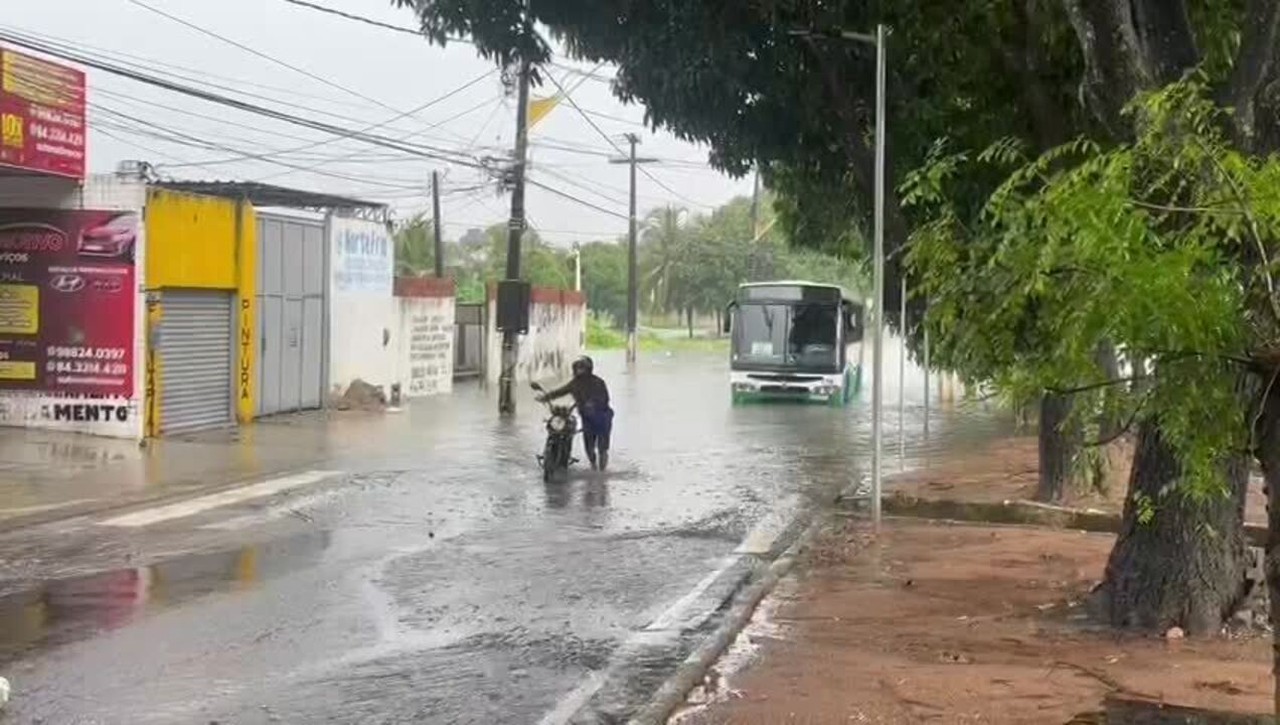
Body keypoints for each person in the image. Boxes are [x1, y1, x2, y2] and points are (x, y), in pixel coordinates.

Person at [537, 355, 614, 471]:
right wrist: (545, 397)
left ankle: (602, 472)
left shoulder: (598, 382)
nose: (579, 371)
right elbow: (560, 391)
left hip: (602, 417)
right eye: (577, 368)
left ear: (588, 369)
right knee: (589, 447)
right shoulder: (575, 383)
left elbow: (605, 398)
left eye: (582, 368)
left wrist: (592, 403)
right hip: (587, 418)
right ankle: (593, 466)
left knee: (602, 447)